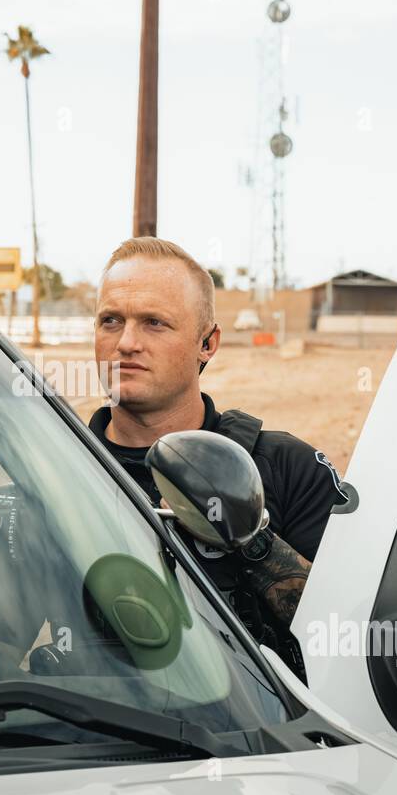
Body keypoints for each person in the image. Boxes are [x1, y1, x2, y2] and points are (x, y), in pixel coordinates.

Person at [90, 237, 347, 672]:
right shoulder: (59, 465)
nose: (126, 343)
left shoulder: (287, 467)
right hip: (92, 731)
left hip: (260, 733)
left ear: (207, 344)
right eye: (111, 320)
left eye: (154, 323)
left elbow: (354, 637)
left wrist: (251, 540)